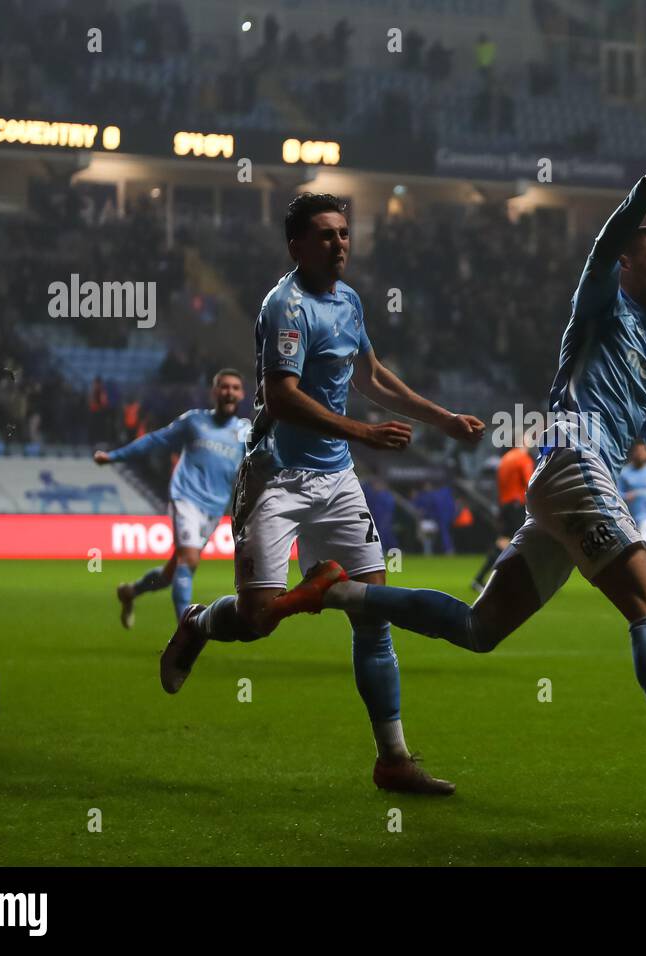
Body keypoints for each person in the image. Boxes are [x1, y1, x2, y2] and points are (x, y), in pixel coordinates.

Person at [280, 131, 646, 809]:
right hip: (575, 456)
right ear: (623, 264)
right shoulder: (599, 304)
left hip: (574, 481)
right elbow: (605, 241)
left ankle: (335, 591)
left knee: (480, 631)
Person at [159, 193, 486, 796]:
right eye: (326, 236)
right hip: (276, 478)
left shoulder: (349, 301)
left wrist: (442, 419)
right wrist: (364, 431)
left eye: (344, 234)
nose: (340, 244)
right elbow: (281, 396)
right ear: (297, 246)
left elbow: (372, 377)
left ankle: (393, 759)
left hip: (336, 480)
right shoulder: (284, 306)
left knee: (374, 614)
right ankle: (199, 623)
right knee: (258, 621)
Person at [94, 369, 248, 624]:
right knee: (188, 560)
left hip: (214, 508)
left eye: (234, 387)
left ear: (241, 394)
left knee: (171, 573)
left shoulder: (245, 433)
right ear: (214, 391)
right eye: (224, 386)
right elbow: (155, 440)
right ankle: (184, 634)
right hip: (185, 498)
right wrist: (114, 456)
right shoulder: (194, 422)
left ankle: (130, 592)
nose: (229, 392)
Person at [471, 434, 535, 591]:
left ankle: (482, 578)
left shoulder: (505, 460)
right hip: (517, 505)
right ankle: (484, 578)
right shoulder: (522, 458)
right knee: (524, 541)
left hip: (505, 505)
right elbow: (530, 483)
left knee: (506, 541)